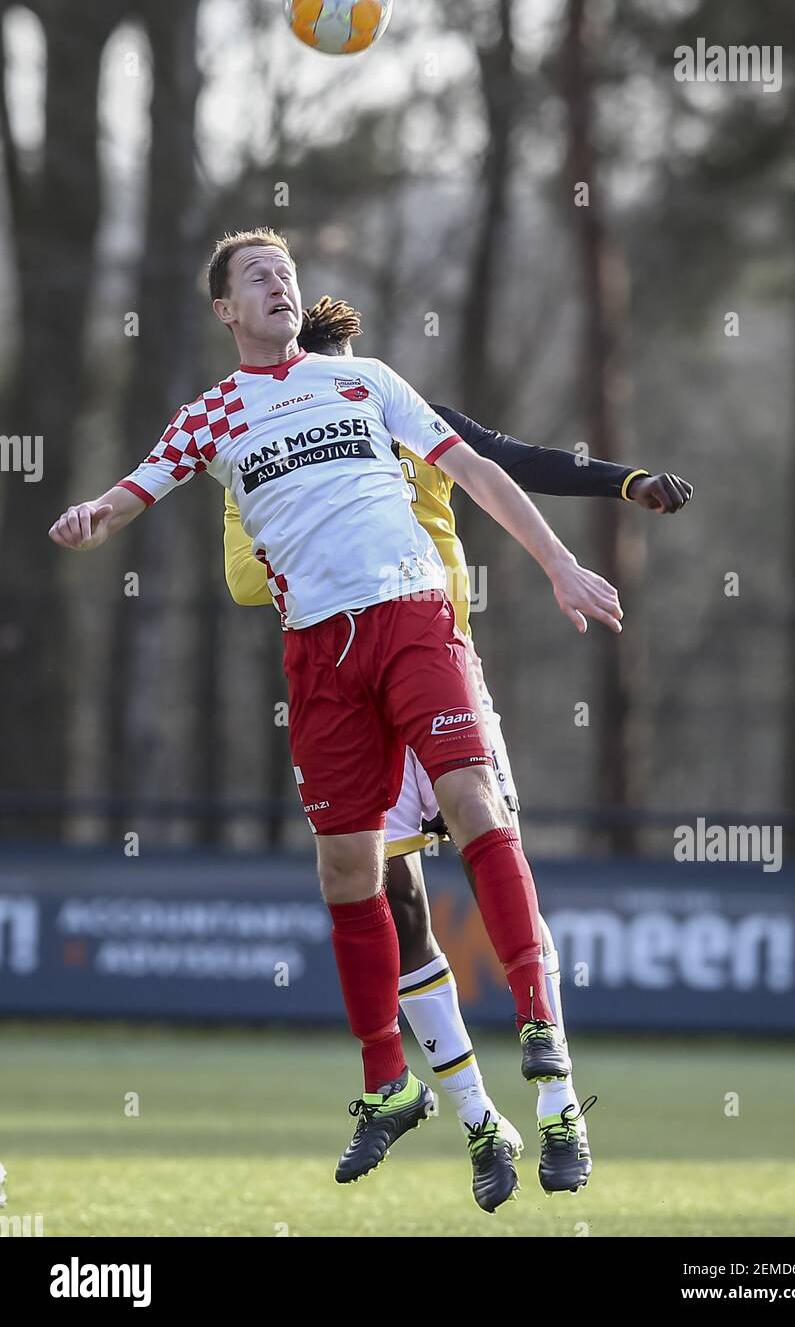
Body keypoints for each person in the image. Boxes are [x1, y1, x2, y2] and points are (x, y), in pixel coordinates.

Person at [49, 226, 625, 1211]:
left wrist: (559, 560)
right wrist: (98, 513)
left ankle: (554, 1078)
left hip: (417, 627)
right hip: (321, 658)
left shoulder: (365, 383)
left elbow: (488, 465)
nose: (278, 285)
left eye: (287, 272)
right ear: (225, 310)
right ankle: (445, 1107)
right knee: (360, 878)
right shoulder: (218, 418)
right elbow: (144, 486)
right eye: (255, 277)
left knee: (478, 808)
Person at [224, 294, 692, 1209]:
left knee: (484, 833)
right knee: (393, 905)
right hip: (345, 678)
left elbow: (514, 462)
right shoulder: (256, 453)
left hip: (436, 664)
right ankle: (481, 1120)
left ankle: (559, 1100)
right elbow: (242, 573)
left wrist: (625, 480)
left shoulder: (400, 410)